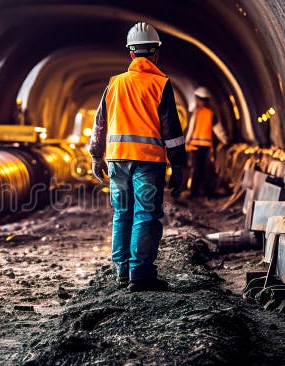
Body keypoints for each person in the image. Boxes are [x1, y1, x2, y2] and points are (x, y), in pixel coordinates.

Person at [88, 22, 187, 292]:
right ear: (156, 53)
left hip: (117, 160)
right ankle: (140, 274)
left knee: (122, 213)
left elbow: (99, 123)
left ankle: (122, 270)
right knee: (145, 215)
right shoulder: (161, 84)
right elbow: (171, 130)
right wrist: (178, 165)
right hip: (148, 161)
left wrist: (96, 156)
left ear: (131, 54)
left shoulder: (114, 84)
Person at [184, 87, 224, 198]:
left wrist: (186, 141)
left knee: (197, 170)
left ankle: (195, 193)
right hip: (203, 147)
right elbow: (219, 130)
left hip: (198, 147)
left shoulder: (196, 113)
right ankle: (200, 192)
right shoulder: (208, 113)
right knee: (201, 170)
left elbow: (190, 130)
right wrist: (225, 140)